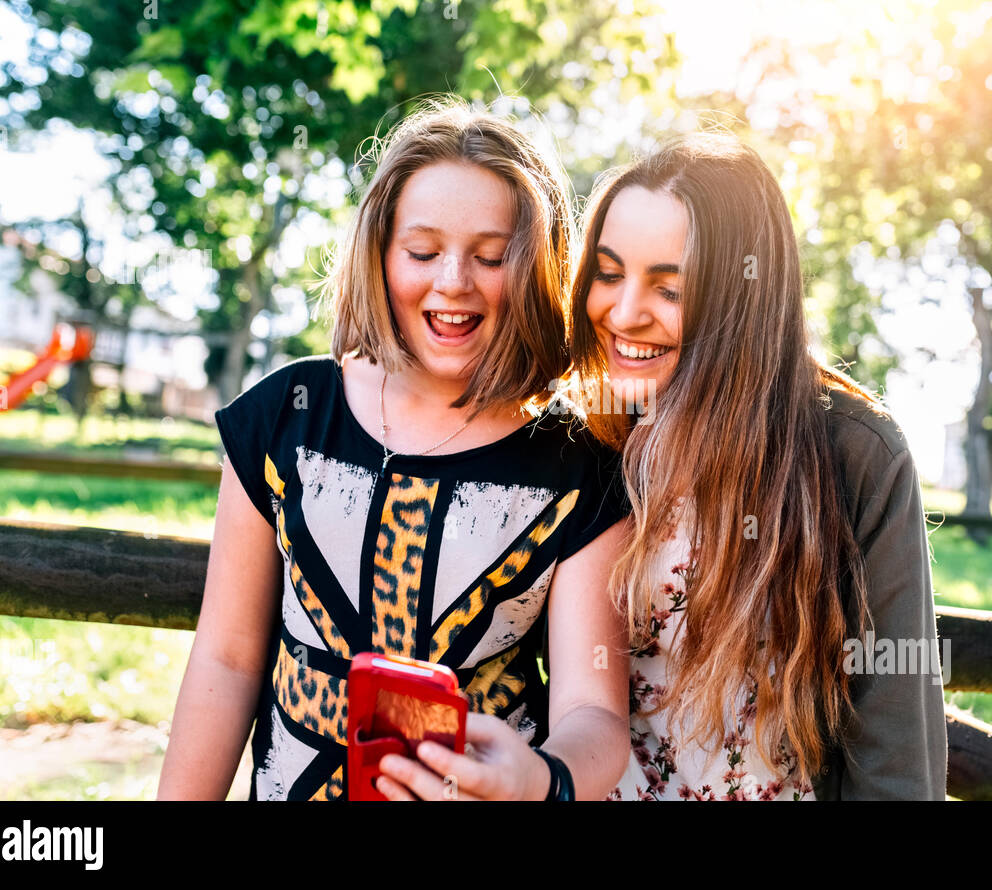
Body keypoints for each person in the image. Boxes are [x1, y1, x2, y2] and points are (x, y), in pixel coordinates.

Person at [157, 99, 632, 802]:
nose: (453, 282)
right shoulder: (283, 420)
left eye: (492, 256)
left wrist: (540, 780)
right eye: (422, 251)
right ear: (379, 253)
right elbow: (226, 661)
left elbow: (593, 712)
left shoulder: (580, 463)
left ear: (538, 267)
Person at [568, 132, 948, 800]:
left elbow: (894, 743)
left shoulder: (854, 454)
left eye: (668, 287)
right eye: (607, 273)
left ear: (739, 299)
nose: (624, 312)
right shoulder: (588, 440)